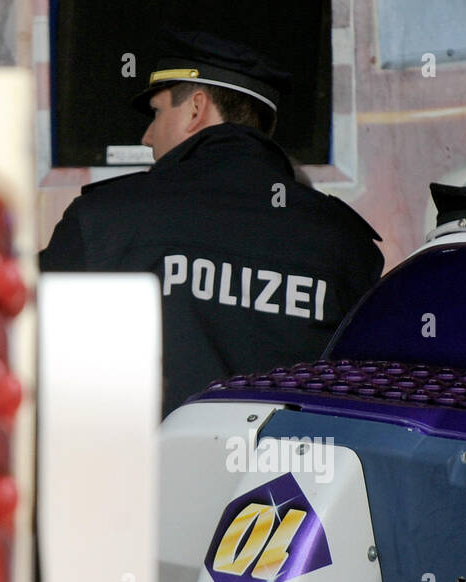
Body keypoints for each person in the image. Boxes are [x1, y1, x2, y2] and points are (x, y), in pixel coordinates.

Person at [39, 28, 384, 416]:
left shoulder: (103, 219)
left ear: (195, 108)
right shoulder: (346, 243)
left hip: (139, 473)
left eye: (156, 112)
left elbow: (29, 355)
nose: (147, 136)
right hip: (291, 476)